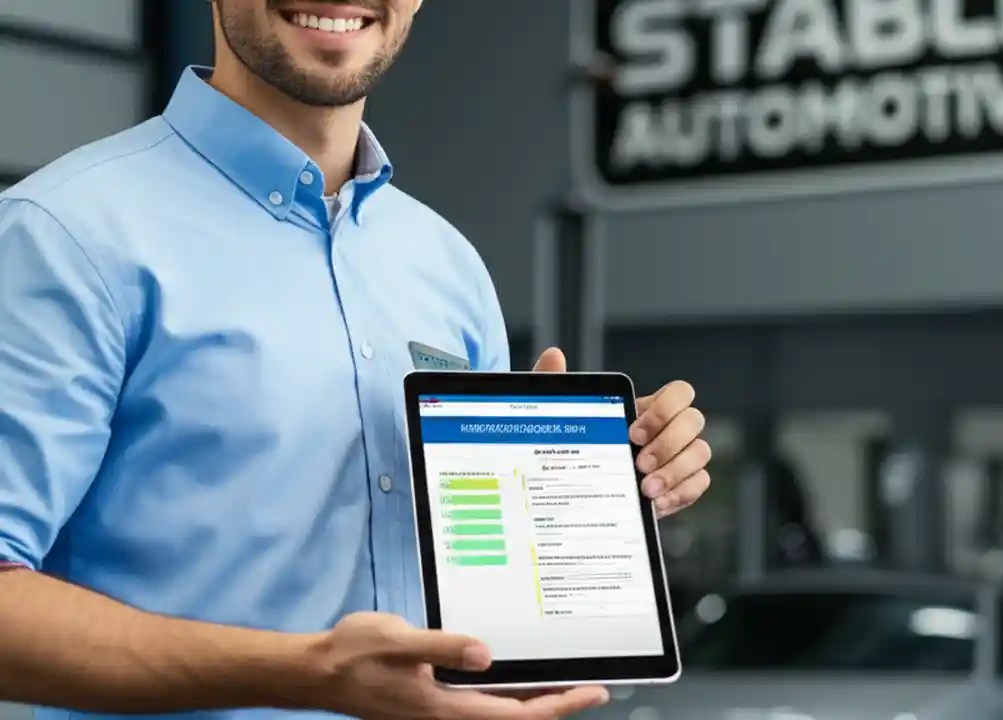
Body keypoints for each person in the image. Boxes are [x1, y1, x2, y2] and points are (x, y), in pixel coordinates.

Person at [0, 2, 714, 720]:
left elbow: (459, 642)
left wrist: (573, 501)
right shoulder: (65, 237)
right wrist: (301, 673)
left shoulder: (448, 266)